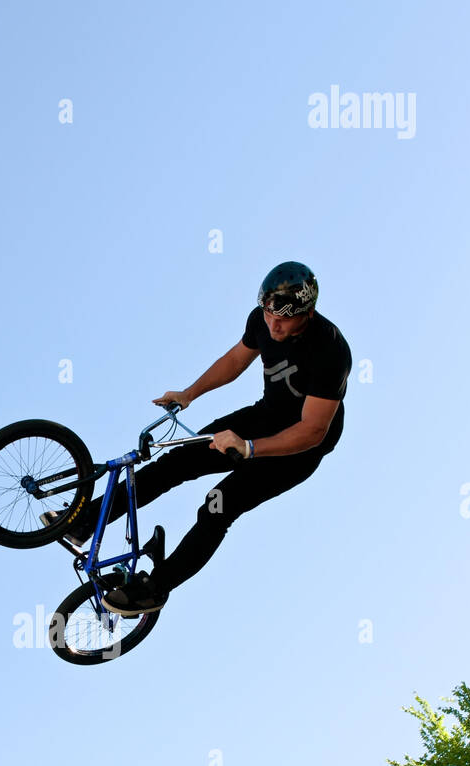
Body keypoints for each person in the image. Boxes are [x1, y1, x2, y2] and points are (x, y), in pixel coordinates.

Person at [70, 261, 352, 616]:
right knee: (176, 463)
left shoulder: (331, 350)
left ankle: (155, 588)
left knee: (218, 504)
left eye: (283, 319)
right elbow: (236, 360)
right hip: (265, 415)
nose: (273, 324)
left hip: (297, 450)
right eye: (268, 314)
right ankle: (87, 522)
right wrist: (189, 393)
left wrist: (249, 449)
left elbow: (312, 431)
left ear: (307, 314)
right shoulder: (261, 319)